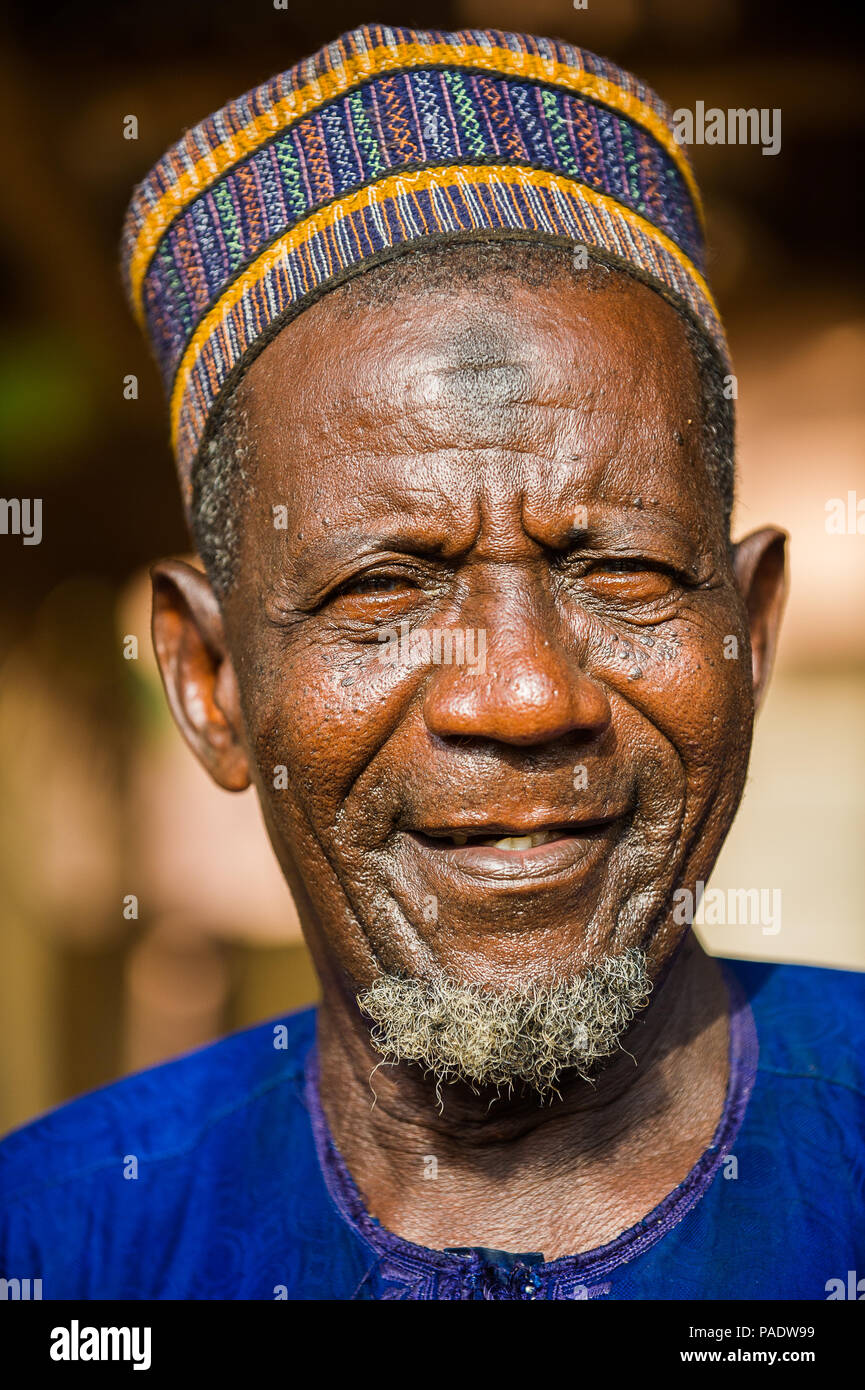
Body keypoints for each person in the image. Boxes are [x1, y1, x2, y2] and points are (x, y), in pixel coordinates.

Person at [1, 23, 862, 1301]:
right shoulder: (57, 1250)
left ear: (749, 632)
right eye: (383, 589)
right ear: (211, 682)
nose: (520, 694)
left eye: (618, 571)